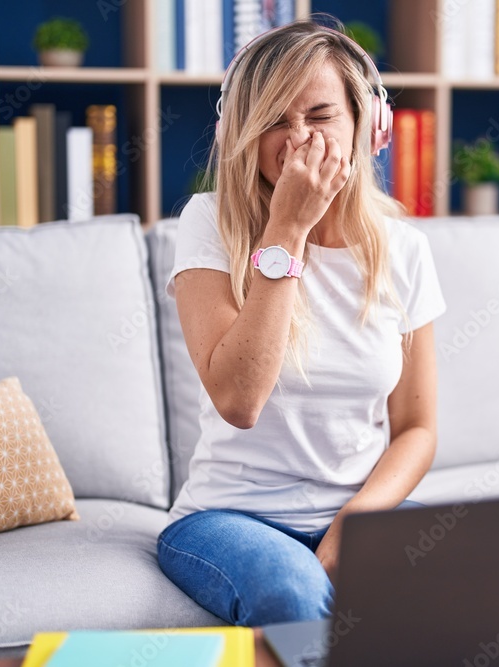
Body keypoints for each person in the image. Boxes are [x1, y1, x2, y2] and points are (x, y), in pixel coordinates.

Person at [155, 18, 447, 627]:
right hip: (231, 516)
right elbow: (239, 399)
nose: (297, 140)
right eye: (273, 122)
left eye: (319, 116)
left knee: (466, 581)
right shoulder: (208, 224)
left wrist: (356, 523)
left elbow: (417, 428)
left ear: (368, 126)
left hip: (358, 507)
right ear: (239, 134)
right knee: (292, 595)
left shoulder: (405, 251)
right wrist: (286, 228)